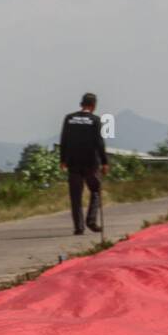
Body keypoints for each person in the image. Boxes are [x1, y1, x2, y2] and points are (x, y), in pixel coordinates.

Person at [58, 92, 109, 235]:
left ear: (81, 104)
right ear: (94, 106)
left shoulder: (69, 119)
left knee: (75, 196)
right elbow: (99, 142)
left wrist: (63, 160)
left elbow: (64, 140)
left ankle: (79, 227)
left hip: (73, 163)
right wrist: (104, 162)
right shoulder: (95, 120)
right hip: (91, 163)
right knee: (95, 190)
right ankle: (91, 220)